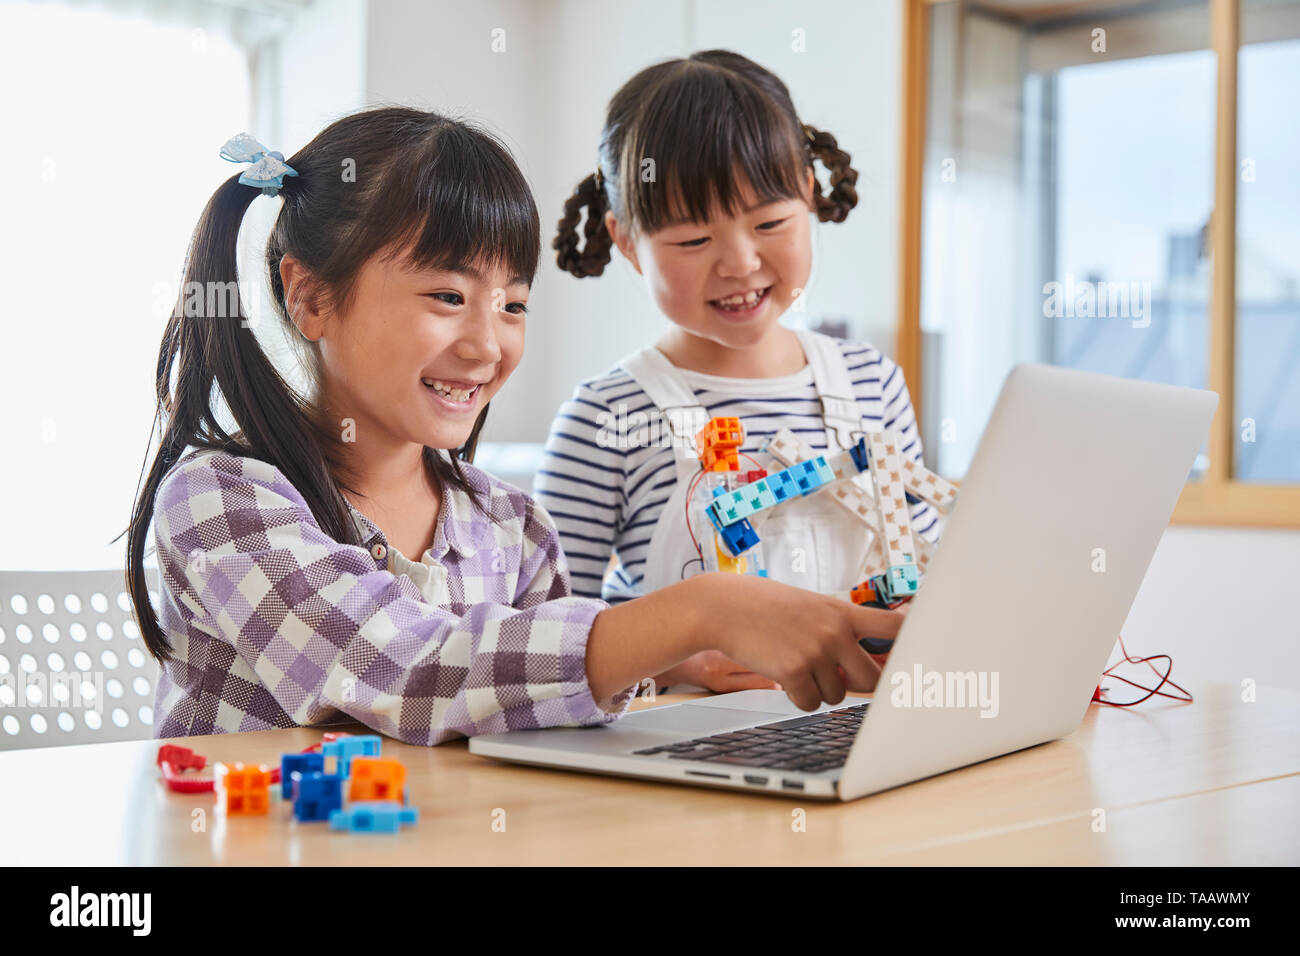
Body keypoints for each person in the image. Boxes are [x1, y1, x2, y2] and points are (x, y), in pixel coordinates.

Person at [124, 107, 903, 746]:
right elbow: (407, 676)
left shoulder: (511, 524)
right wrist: (698, 610)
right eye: (447, 297)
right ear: (313, 298)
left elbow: (538, 713)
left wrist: (674, 658)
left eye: (513, 305)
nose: (487, 344)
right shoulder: (222, 499)